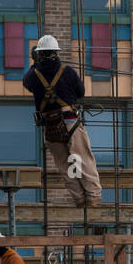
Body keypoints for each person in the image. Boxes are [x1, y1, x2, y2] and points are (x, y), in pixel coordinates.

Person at [22, 34, 102, 210]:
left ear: (39, 55)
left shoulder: (33, 75)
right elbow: (80, 92)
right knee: (82, 159)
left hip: (51, 127)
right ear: (56, 53)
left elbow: (27, 83)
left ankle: (80, 199)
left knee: (67, 166)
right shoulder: (67, 71)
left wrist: (35, 65)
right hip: (70, 121)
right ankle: (93, 196)